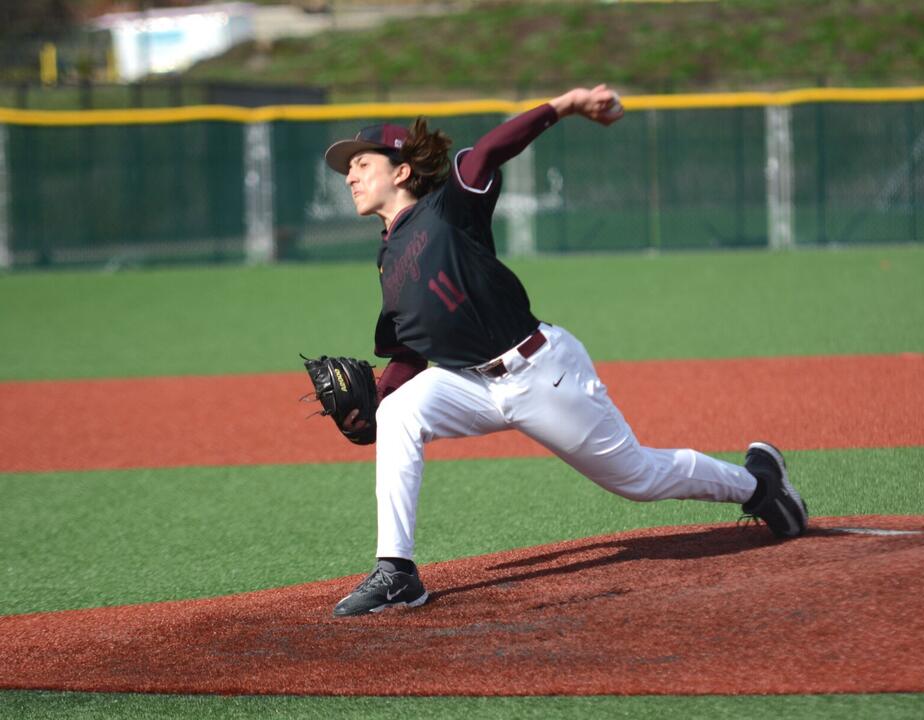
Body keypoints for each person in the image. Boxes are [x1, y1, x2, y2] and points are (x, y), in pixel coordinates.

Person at [322, 84, 808, 617]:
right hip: (470, 383)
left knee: (638, 478)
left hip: (539, 371)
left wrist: (566, 105)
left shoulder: (448, 209)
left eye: (362, 164)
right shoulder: (388, 258)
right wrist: (368, 404)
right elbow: (410, 355)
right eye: (349, 168)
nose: (350, 176)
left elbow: (486, 152)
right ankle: (397, 573)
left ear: (401, 171)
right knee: (399, 413)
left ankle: (759, 486)